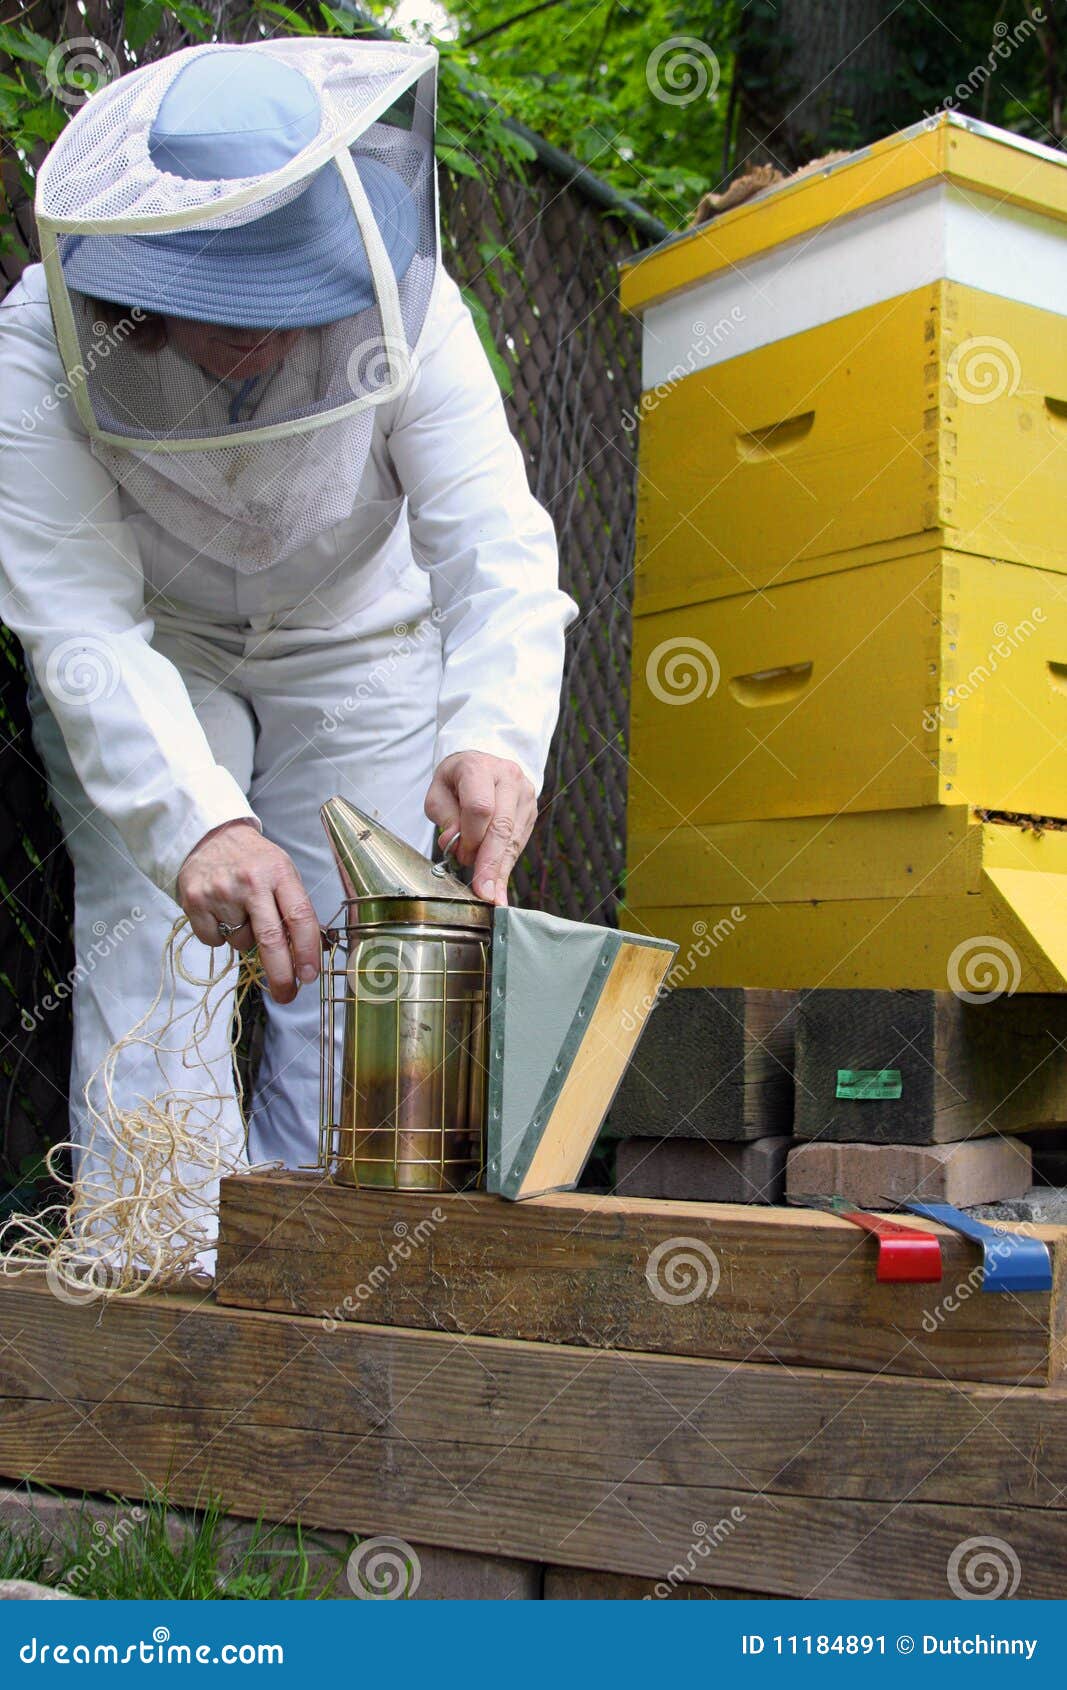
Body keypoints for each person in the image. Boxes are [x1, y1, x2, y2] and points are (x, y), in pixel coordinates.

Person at [0, 39, 575, 1269]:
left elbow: (494, 546)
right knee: (154, 935)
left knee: (367, 961)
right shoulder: (43, 346)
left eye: (285, 293)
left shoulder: (414, 304)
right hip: (160, 646)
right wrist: (195, 822)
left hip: (357, 633)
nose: (259, 333)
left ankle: (323, 1274)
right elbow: (78, 620)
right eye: (223, 304)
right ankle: (158, 1279)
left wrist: (494, 732)